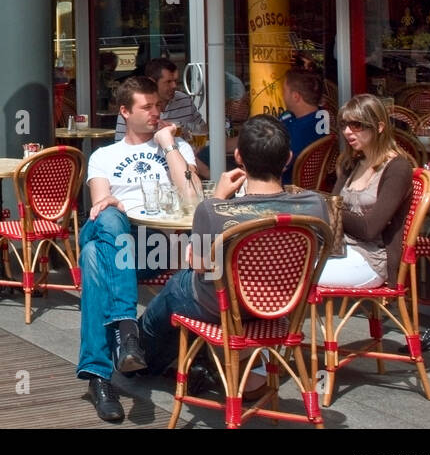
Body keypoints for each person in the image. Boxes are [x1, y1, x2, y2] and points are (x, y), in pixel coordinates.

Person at [139, 115, 329, 379]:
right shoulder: (315, 205)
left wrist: (217, 197)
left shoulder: (214, 210)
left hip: (225, 307)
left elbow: (199, 264)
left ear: (238, 157)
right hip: (283, 305)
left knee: (177, 285)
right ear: (288, 158)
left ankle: (143, 360)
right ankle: (210, 363)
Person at [77, 75, 197, 423]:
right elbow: (100, 205)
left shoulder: (177, 149)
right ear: (125, 111)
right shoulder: (104, 155)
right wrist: (112, 203)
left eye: (158, 106)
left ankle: (99, 378)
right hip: (118, 232)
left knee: (93, 260)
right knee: (111, 219)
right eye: (147, 107)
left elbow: (192, 199)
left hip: (156, 245)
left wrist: (168, 144)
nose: (156, 112)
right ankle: (128, 334)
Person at [317, 94, 414, 289]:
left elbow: (370, 229)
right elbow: (333, 207)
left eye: (356, 125)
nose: (347, 131)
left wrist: (325, 206)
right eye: (344, 125)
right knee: (283, 260)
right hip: (340, 249)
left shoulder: (397, 168)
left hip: (371, 260)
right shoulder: (350, 163)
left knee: (292, 271)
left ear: (379, 127)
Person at [113, 57, 199, 141]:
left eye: (175, 81)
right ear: (152, 81)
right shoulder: (134, 106)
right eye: (168, 82)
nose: (174, 86)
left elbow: (201, 129)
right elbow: (121, 144)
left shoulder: (184, 100)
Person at [280, 67, 327, 183]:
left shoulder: (301, 133)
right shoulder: (321, 115)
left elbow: (277, 166)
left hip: (286, 189)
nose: (282, 94)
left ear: (295, 96)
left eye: (284, 90)